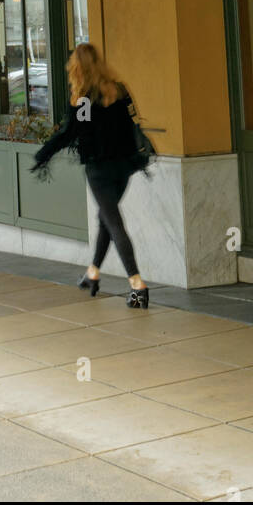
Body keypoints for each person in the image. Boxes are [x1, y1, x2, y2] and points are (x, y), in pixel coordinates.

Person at [30, 42, 153, 309]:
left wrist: (44, 153)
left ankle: (136, 284)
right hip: (124, 167)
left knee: (114, 222)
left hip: (100, 169)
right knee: (105, 219)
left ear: (77, 67)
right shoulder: (118, 90)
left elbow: (72, 132)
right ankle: (93, 273)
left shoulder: (84, 99)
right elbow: (131, 123)